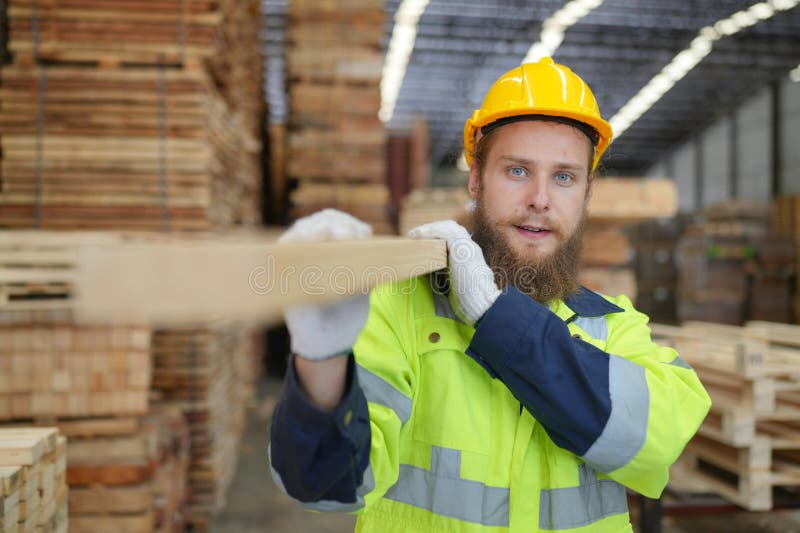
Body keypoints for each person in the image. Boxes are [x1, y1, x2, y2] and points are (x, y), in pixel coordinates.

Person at [268, 57, 711, 532]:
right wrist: (321, 360)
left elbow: (657, 440)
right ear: (476, 180)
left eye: (564, 176)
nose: (540, 198)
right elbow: (327, 488)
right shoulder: (400, 310)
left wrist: (496, 316)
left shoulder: (614, 326)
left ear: (585, 194)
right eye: (517, 171)